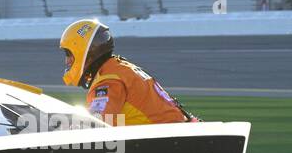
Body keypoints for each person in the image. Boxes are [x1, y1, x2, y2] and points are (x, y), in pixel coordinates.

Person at [59, 18, 197, 126]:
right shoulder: (120, 68)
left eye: (68, 54)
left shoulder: (108, 81)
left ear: (84, 51)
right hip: (180, 134)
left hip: (172, 144)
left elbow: (95, 126)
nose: (67, 61)